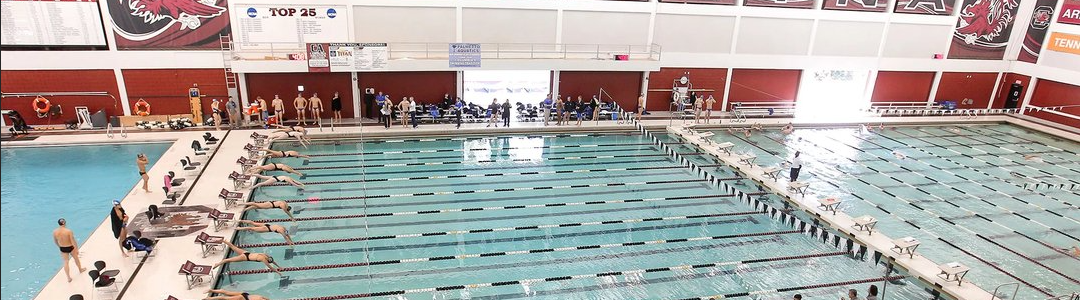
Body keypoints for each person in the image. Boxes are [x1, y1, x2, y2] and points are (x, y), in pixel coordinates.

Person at [211, 240, 282, 276]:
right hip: (245, 257)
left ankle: (224, 241)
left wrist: (279, 266)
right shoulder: (263, 259)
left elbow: (273, 261)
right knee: (228, 260)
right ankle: (217, 264)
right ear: (268, 260)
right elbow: (270, 267)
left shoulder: (265, 255)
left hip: (246, 252)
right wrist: (278, 272)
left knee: (233, 247)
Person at [205, 289, 270, 300]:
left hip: (246, 294)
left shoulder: (262, 297)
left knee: (227, 292)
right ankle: (210, 298)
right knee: (225, 298)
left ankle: (211, 290)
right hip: (242, 298)